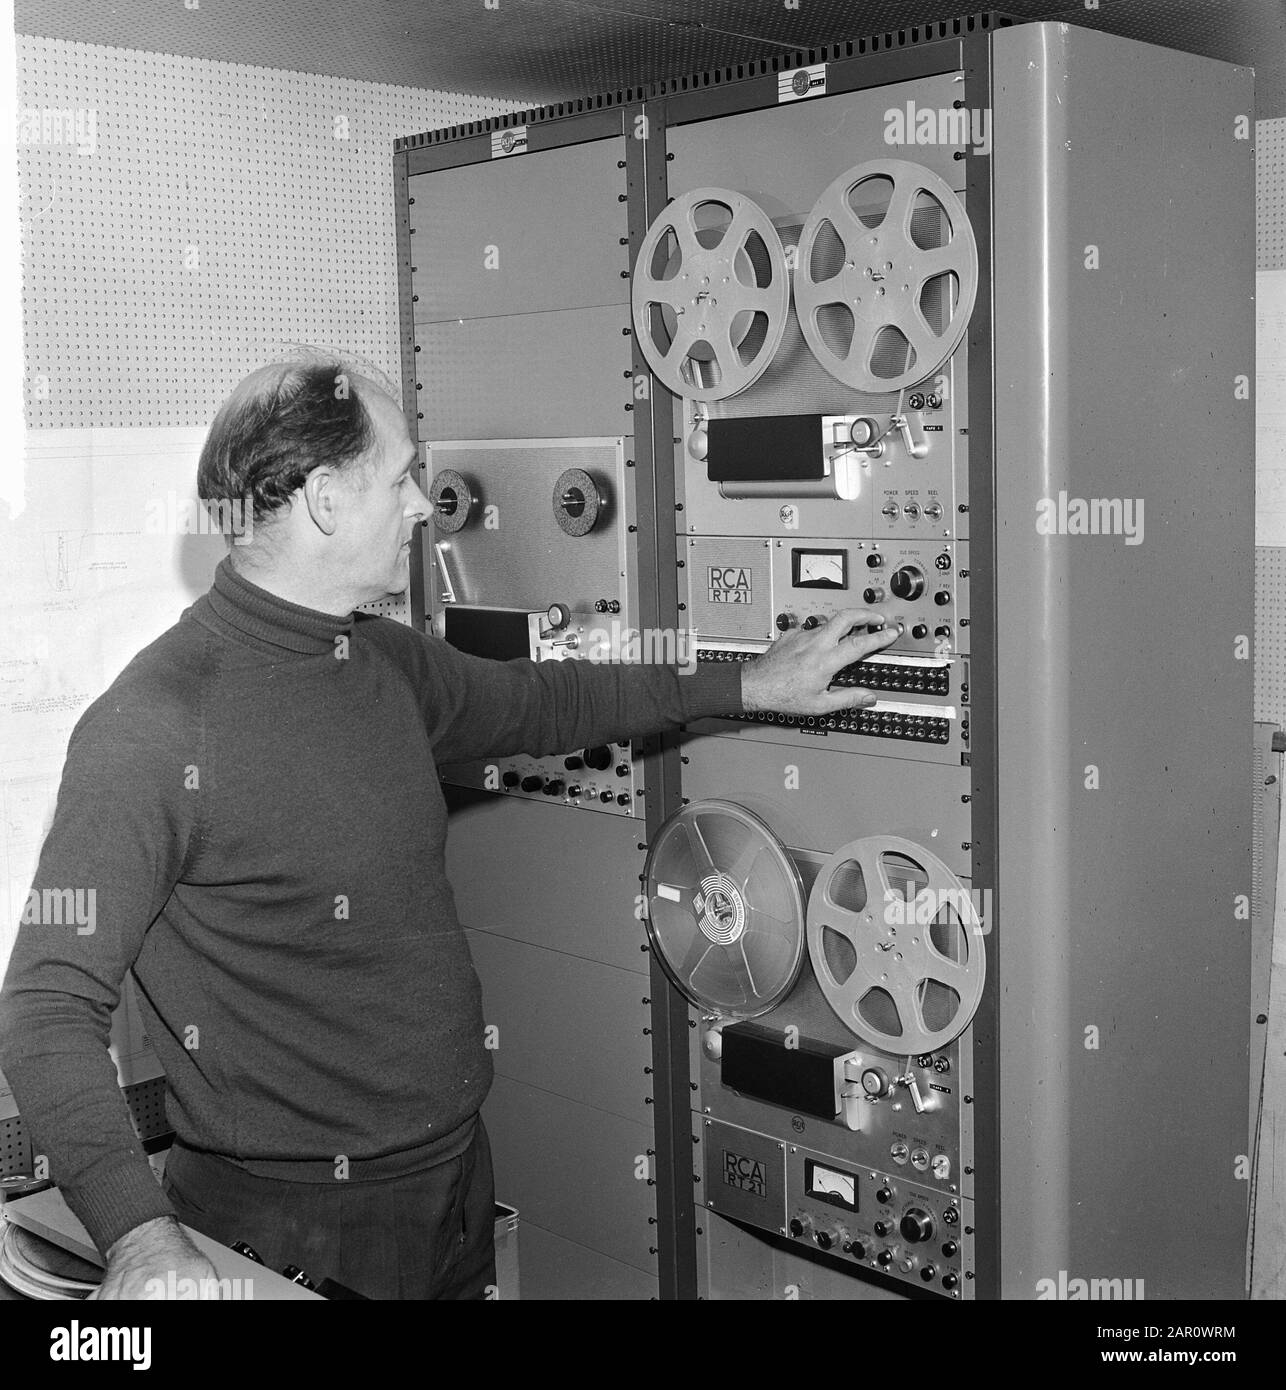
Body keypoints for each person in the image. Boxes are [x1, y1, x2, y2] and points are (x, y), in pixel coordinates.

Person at [0, 358, 896, 1299]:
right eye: (399, 478)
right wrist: (138, 1234)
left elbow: (546, 701)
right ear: (325, 500)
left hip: (454, 1180)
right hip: (288, 1222)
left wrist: (746, 683)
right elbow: (45, 1009)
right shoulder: (155, 727)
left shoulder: (380, 660)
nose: (424, 504)